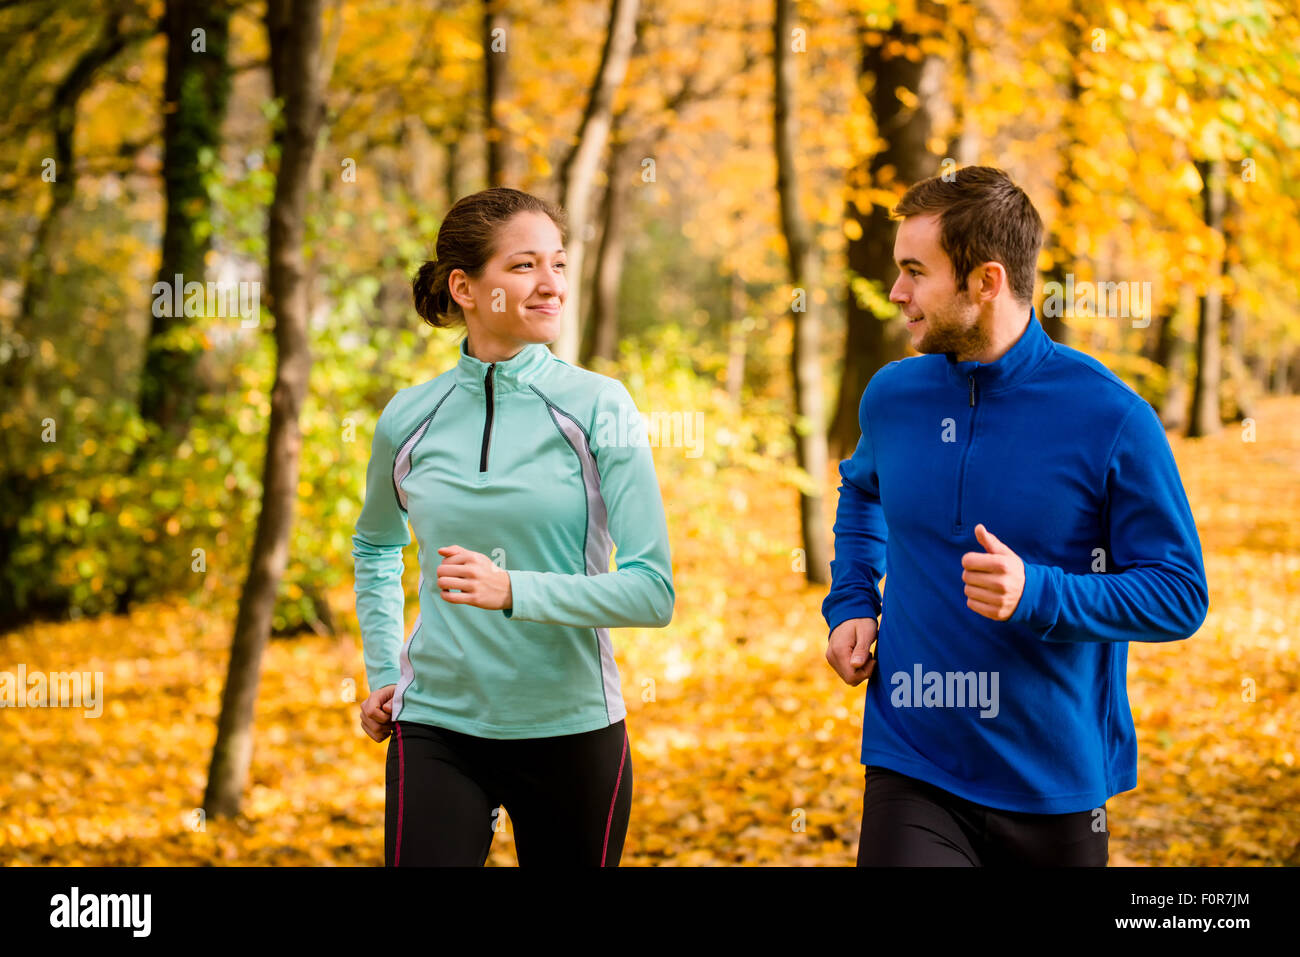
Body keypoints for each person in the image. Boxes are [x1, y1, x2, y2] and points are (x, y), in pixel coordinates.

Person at [822, 166, 1209, 866]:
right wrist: (852, 599)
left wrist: (1038, 592)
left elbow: (1180, 593)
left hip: (1053, 784)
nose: (896, 292)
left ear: (986, 282)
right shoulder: (893, 396)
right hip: (913, 759)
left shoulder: (1110, 416)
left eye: (915, 271)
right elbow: (863, 491)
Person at [351, 187, 674, 866]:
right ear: (465, 287)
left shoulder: (599, 406)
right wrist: (385, 668)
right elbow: (376, 544)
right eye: (525, 266)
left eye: (558, 263)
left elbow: (652, 591)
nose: (550, 284)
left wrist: (514, 590)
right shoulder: (408, 417)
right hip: (437, 723)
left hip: (572, 730)